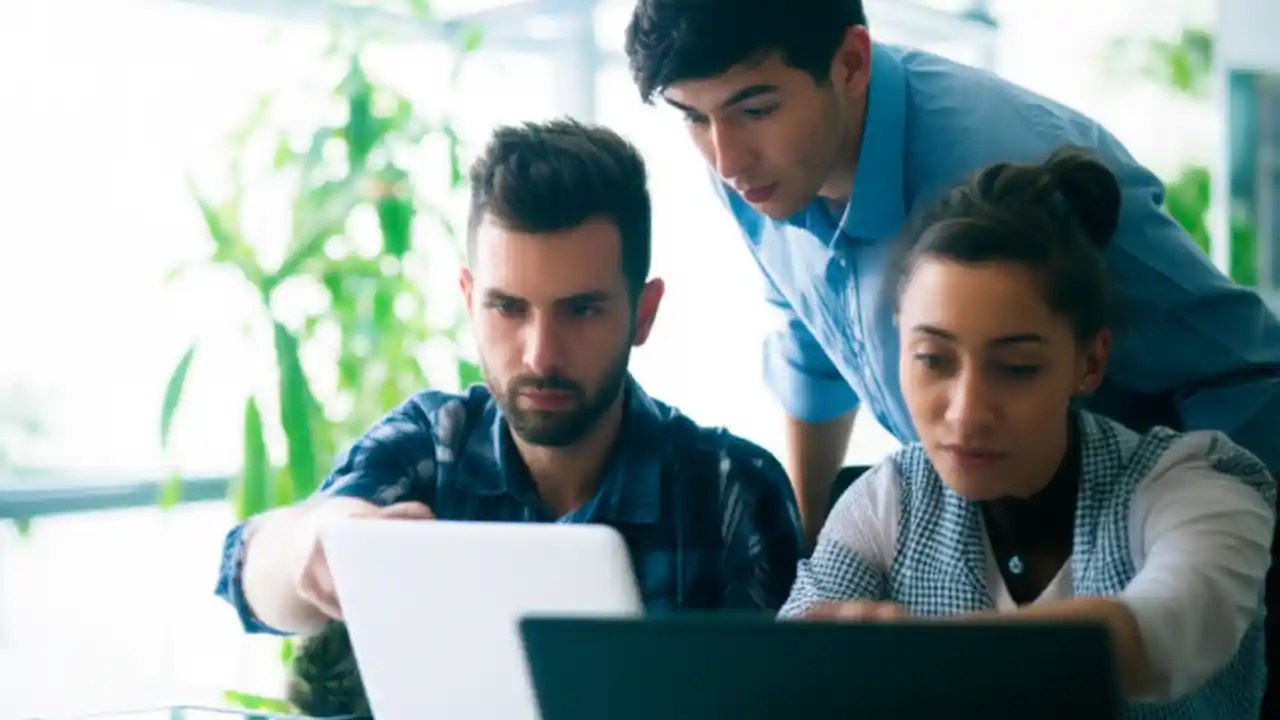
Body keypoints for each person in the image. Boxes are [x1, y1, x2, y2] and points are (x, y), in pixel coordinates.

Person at [623, 0, 1280, 547]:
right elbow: (811, 341)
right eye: (692, 116)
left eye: (756, 109)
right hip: (990, 542)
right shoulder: (755, 172)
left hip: (1152, 549)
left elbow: (1247, 373)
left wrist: (1184, 567)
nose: (726, 158)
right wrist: (810, 537)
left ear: (851, 63)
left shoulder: (1015, 162)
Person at [214, 118, 804, 638]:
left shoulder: (732, 491)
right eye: (508, 308)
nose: (540, 355)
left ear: (642, 314)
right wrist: (314, 539)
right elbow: (248, 578)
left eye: (581, 310)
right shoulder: (431, 446)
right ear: (470, 302)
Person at [777, 149, 1276, 717]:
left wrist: (918, 657)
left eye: (1016, 368)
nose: (965, 413)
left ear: (1089, 362)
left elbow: (1165, 630)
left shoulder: (1192, 486)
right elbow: (783, 669)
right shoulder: (889, 501)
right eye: (933, 359)